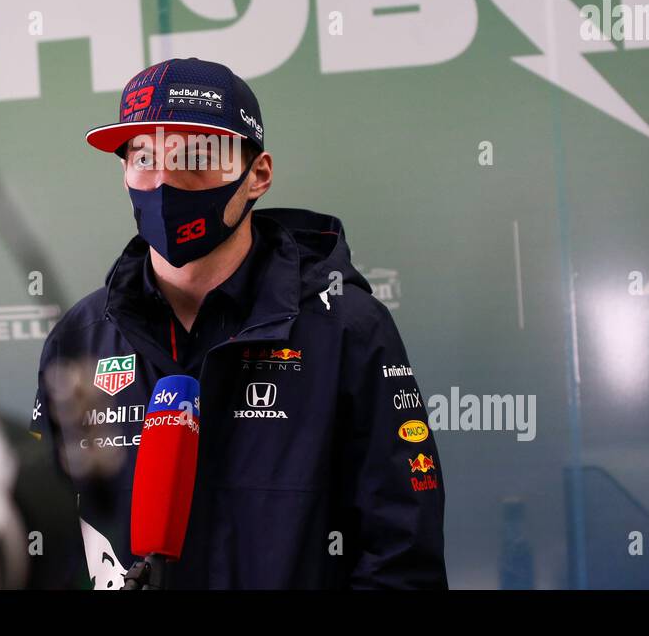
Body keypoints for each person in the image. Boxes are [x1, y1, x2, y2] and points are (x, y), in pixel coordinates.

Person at [31, 57, 447, 589]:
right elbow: (47, 540)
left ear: (258, 174)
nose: (164, 181)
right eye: (143, 157)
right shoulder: (80, 336)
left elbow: (401, 553)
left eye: (197, 155)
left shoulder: (348, 329)